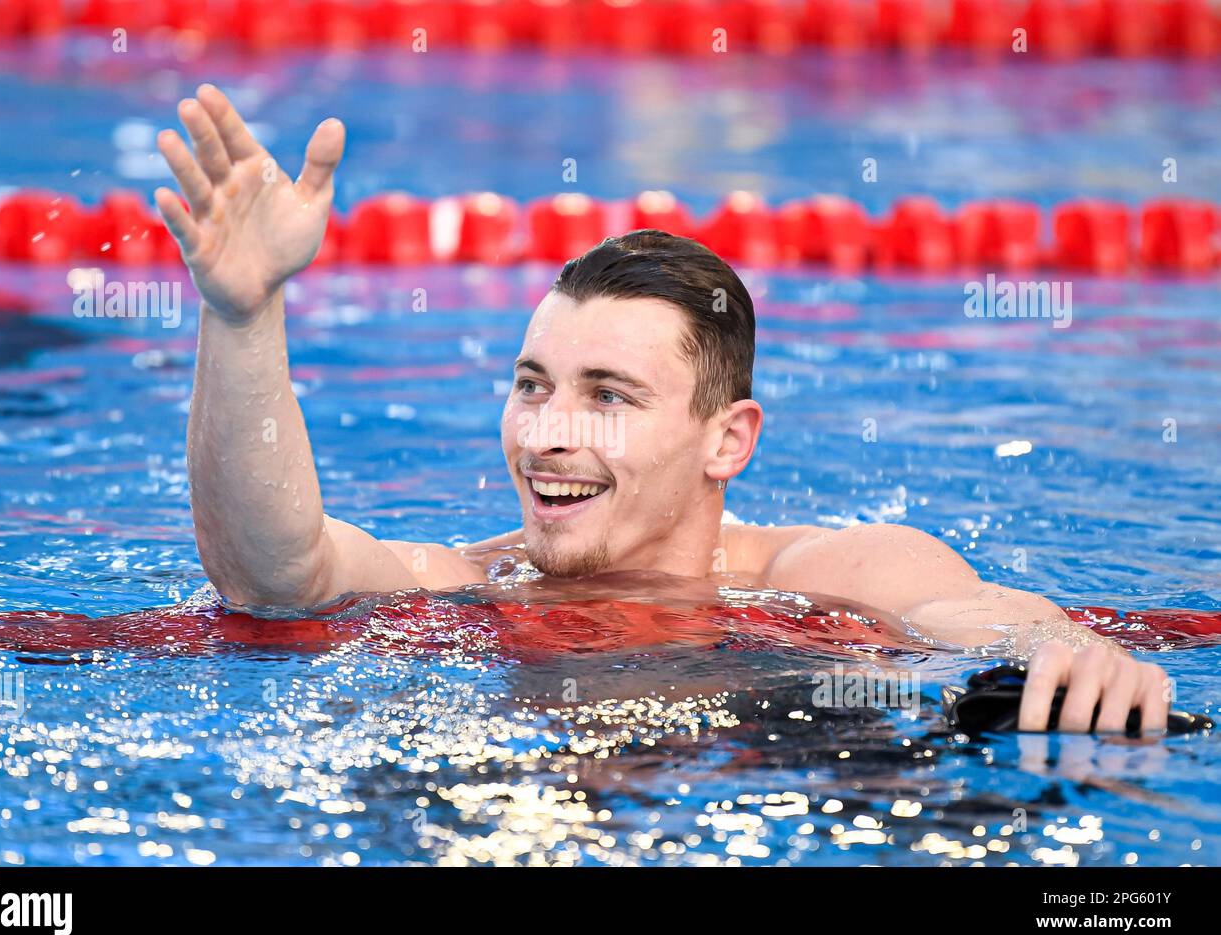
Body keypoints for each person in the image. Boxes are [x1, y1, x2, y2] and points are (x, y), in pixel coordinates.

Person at [153, 84, 1171, 735]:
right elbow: (274, 577)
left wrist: (1065, 648)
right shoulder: (472, 580)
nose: (548, 429)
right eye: (532, 383)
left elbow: (980, 617)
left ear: (726, 439)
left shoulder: (822, 574)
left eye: (608, 394)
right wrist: (241, 315)